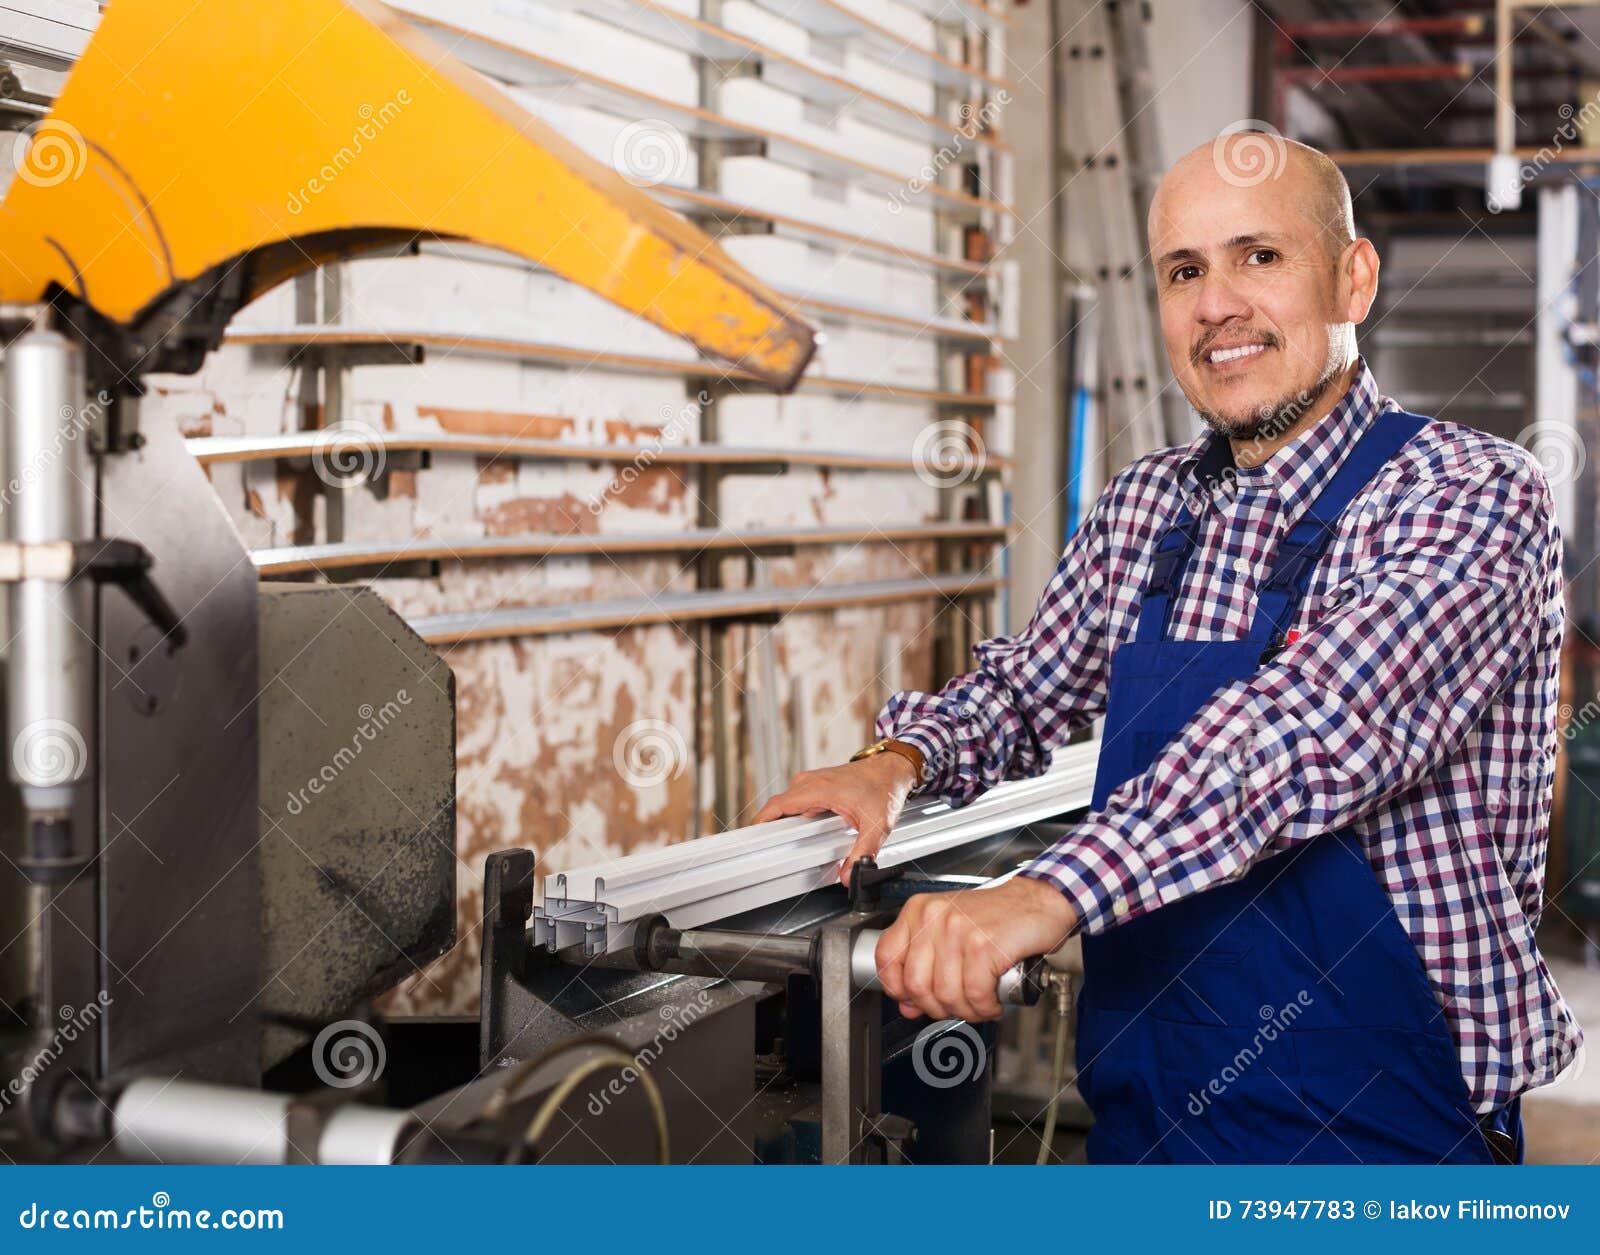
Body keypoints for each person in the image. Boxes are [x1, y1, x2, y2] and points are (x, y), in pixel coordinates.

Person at [753, 132, 1580, 1164]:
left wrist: (1046, 891)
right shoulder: (1148, 505)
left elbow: (1308, 731)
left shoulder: (1468, 493)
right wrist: (893, 763)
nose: (1216, 304)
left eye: (1258, 257)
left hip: (1382, 1128)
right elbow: (1025, 687)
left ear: (1352, 278)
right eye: (1184, 271)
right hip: (1150, 1112)